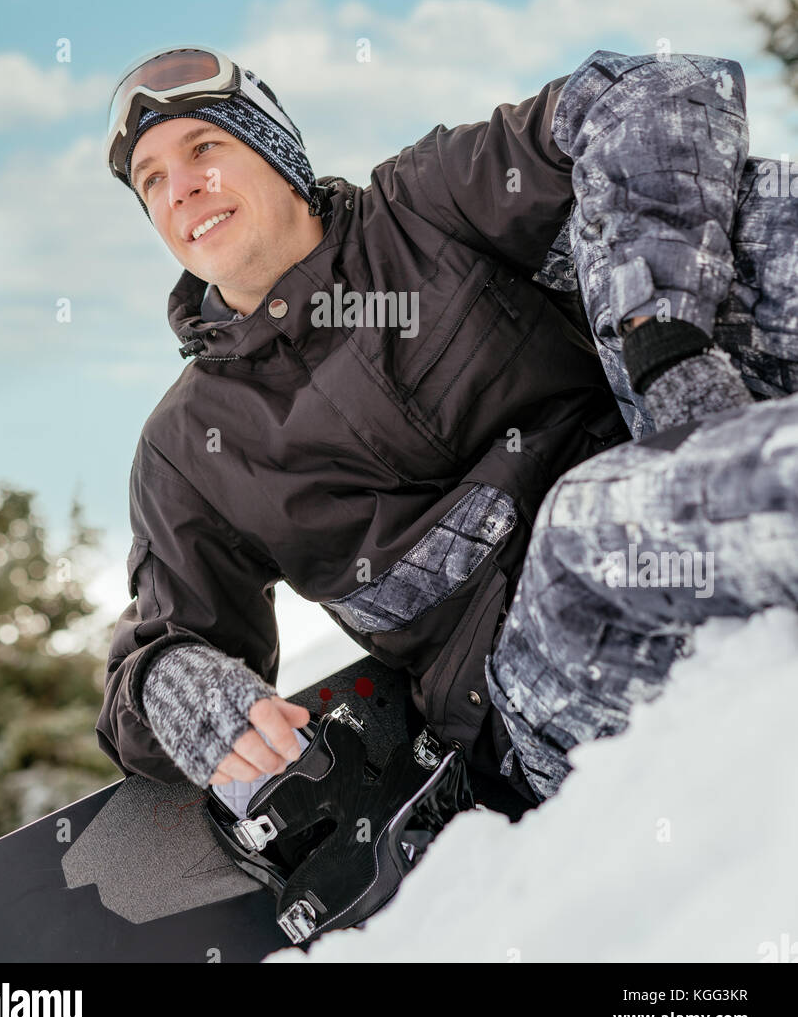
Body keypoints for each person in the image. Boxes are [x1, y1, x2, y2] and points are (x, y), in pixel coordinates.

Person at [96, 44, 798, 818]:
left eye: (204, 149)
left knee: (746, 212)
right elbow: (157, 646)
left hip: (675, 480)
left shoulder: (421, 206)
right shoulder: (187, 447)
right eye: (151, 180)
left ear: (275, 150)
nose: (182, 189)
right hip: (533, 689)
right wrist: (169, 684)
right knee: (581, 530)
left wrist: (660, 334)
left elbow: (655, 88)